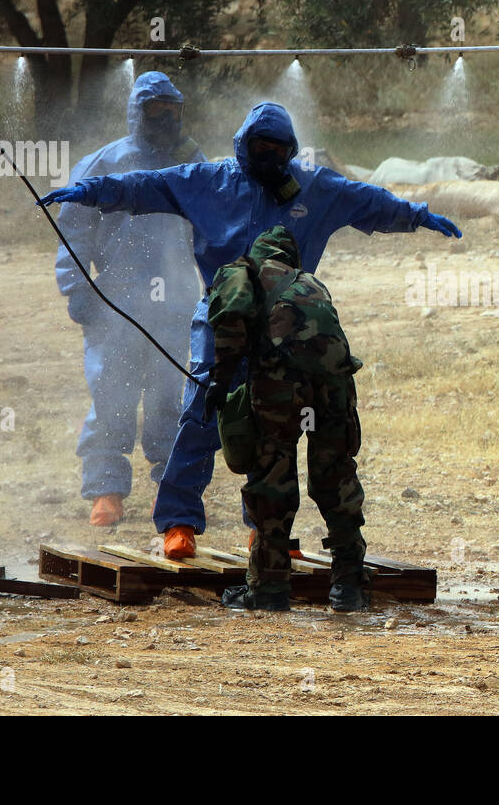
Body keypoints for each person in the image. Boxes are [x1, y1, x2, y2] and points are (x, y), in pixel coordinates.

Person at [40, 102, 462, 558]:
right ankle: (178, 523)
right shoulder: (207, 181)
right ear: (242, 145)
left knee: (275, 426)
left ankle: (266, 530)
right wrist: (90, 191)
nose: (269, 156)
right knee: (202, 411)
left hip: (287, 324)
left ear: (291, 151)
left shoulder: (312, 187)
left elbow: (368, 200)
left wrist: (418, 215)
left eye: (278, 149)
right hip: (221, 315)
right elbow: (146, 185)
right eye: (259, 147)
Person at [54, 71, 204, 527]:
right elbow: (73, 233)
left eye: (171, 111)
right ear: (135, 112)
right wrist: (79, 289)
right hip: (114, 300)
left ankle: (169, 488)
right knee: (111, 394)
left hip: (177, 302)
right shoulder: (102, 163)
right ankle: (106, 490)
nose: (163, 119)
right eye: (153, 110)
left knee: (168, 395)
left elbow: (217, 227)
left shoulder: (191, 161)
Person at [208, 226, 369, 612]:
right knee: (335, 476)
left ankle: (269, 589)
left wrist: (220, 380)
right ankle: (348, 586)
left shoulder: (244, 272)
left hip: (282, 388)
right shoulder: (311, 282)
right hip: (334, 386)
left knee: (273, 479)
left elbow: (229, 320)